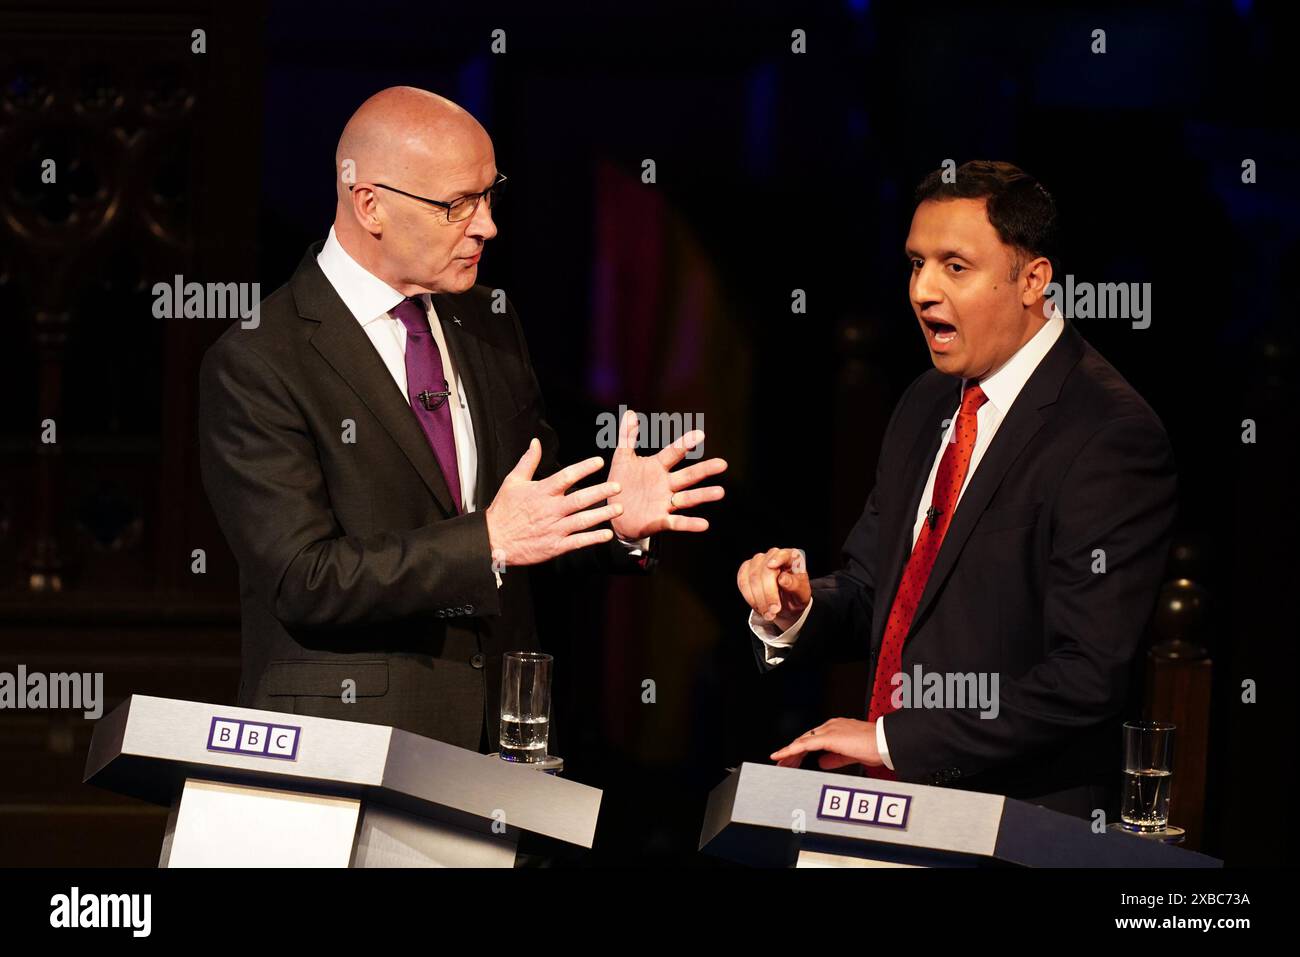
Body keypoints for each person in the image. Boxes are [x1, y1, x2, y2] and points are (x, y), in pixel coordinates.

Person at [199, 87, 726, 753]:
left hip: (502, 745)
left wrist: (611, 522)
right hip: (351, 752)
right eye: (457, 205)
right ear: (370, 204)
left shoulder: (489, 322)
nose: (487, 226)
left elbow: (530, 521)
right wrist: (487, 543)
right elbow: (304, 579)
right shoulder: (258, 359)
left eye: (489, 195)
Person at [737, 161, 1176, 818]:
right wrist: (797, 607)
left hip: (1016, 821)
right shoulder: (925, 401)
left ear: (1032, 280)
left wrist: (892, 740)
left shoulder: (1109, 433)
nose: (922, 290)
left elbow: (1085, 675)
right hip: (888, 804)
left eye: (954, 266)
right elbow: (872, 588)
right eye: (916, 263)